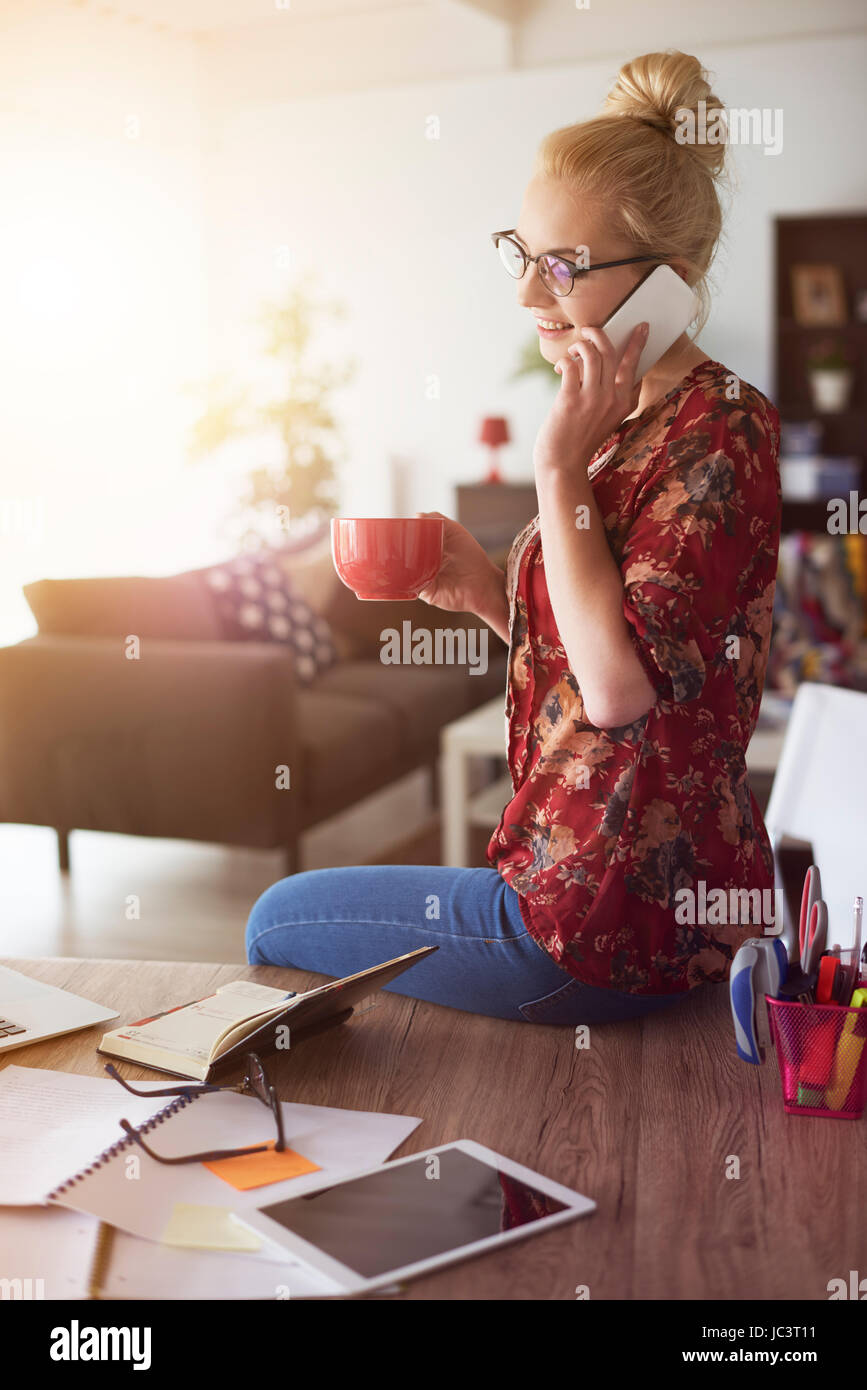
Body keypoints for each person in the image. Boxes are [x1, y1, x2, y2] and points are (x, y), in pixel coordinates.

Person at [245, 50, 781, 1026]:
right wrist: (492, 596)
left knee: (276, 920)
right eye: (522, 252)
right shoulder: (631, 421)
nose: (530, 293)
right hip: (607, 899)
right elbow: (619, 666)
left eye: (565, 266)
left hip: (600, 924)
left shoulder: (720, 429)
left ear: (674, 279)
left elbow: (621, 695)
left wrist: (555, 470)